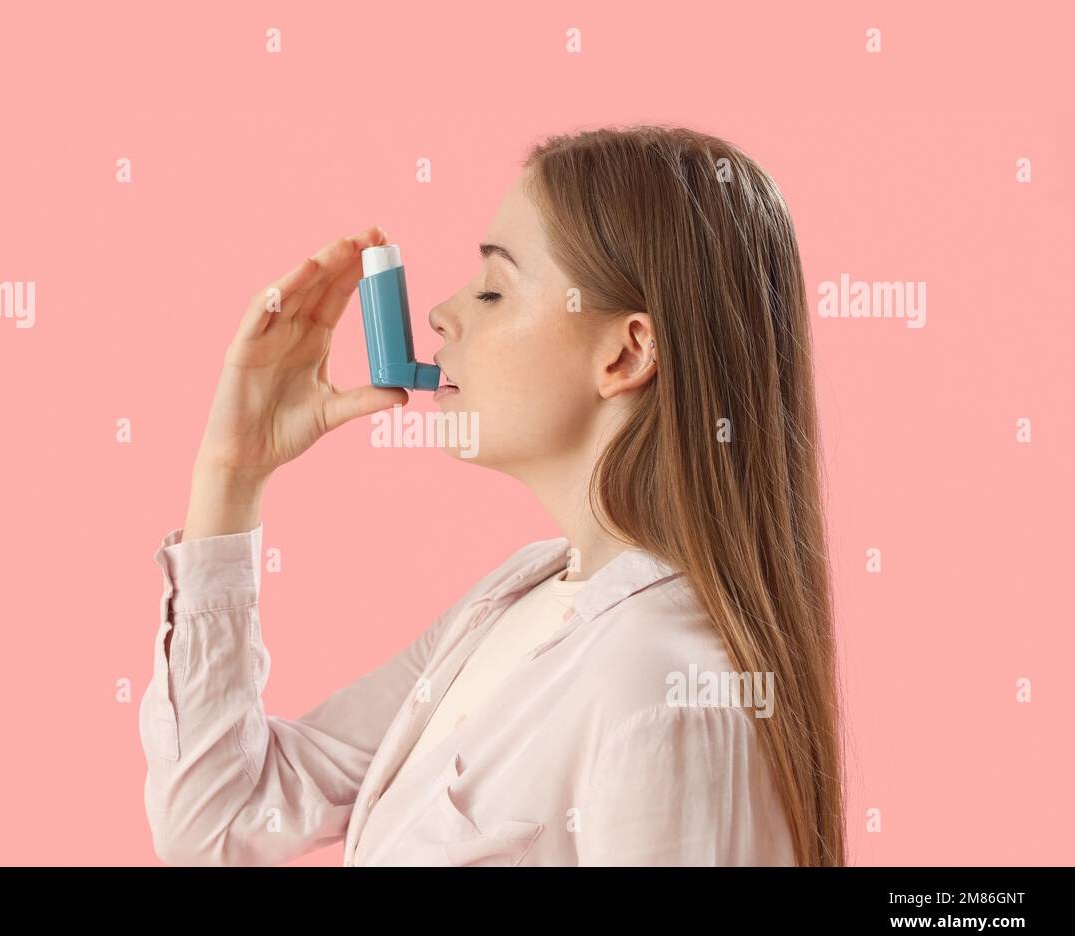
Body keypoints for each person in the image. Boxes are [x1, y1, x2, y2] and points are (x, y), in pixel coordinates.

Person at [138, 124, 845, 867]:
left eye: (493, 289)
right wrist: (232, 469)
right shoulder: (520, 600)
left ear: (628, 351)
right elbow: (218, 818)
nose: (442, 315)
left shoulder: (661, 693)